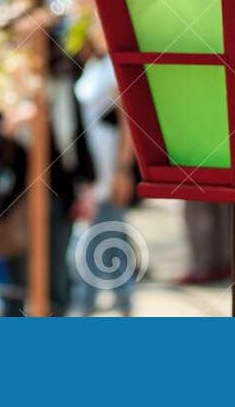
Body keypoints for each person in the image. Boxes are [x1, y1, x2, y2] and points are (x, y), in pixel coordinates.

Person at [69, 32, 138, 315]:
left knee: (105, 242)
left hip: (109, 170)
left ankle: (92, 306)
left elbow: (128, 123)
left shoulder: (114, 68)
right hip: (92, 171)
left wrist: (123, 170)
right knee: (106, 242)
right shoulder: (91, 65)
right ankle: (111, 305)